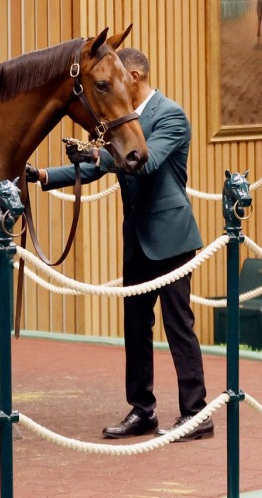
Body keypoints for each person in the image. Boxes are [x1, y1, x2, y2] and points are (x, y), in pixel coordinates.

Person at [25, 47, 210, 441]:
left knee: (179, 327)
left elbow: (143, 160)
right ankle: (143, 412)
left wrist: (95, 150)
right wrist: (42, 175)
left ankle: (196, 414)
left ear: (135, 78)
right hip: (138, 239)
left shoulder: (171, 116)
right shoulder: (122, 123)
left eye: (119, 78)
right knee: (135, 328)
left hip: (172, 237)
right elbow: (99, 165)